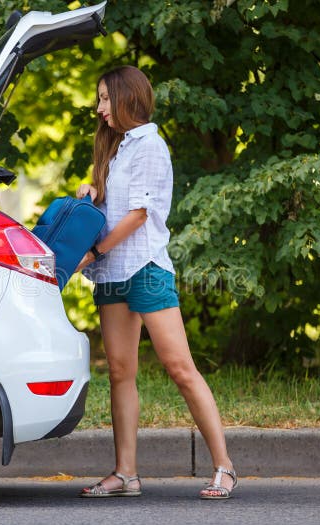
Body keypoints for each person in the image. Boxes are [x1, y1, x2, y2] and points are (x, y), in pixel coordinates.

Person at [74, 65, 237, 500]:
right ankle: (126, 474)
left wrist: (97, 251)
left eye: (106, 98)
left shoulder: (150, 146)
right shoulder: (117, 148)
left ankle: (225, 467)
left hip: (144, 267)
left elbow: (139, 214)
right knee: (121, 373)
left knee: (180, 368)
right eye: (99, 98)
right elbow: (114, 207)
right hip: (111, 272)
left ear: (127, 98)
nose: (100, 107)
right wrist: (90, 194)